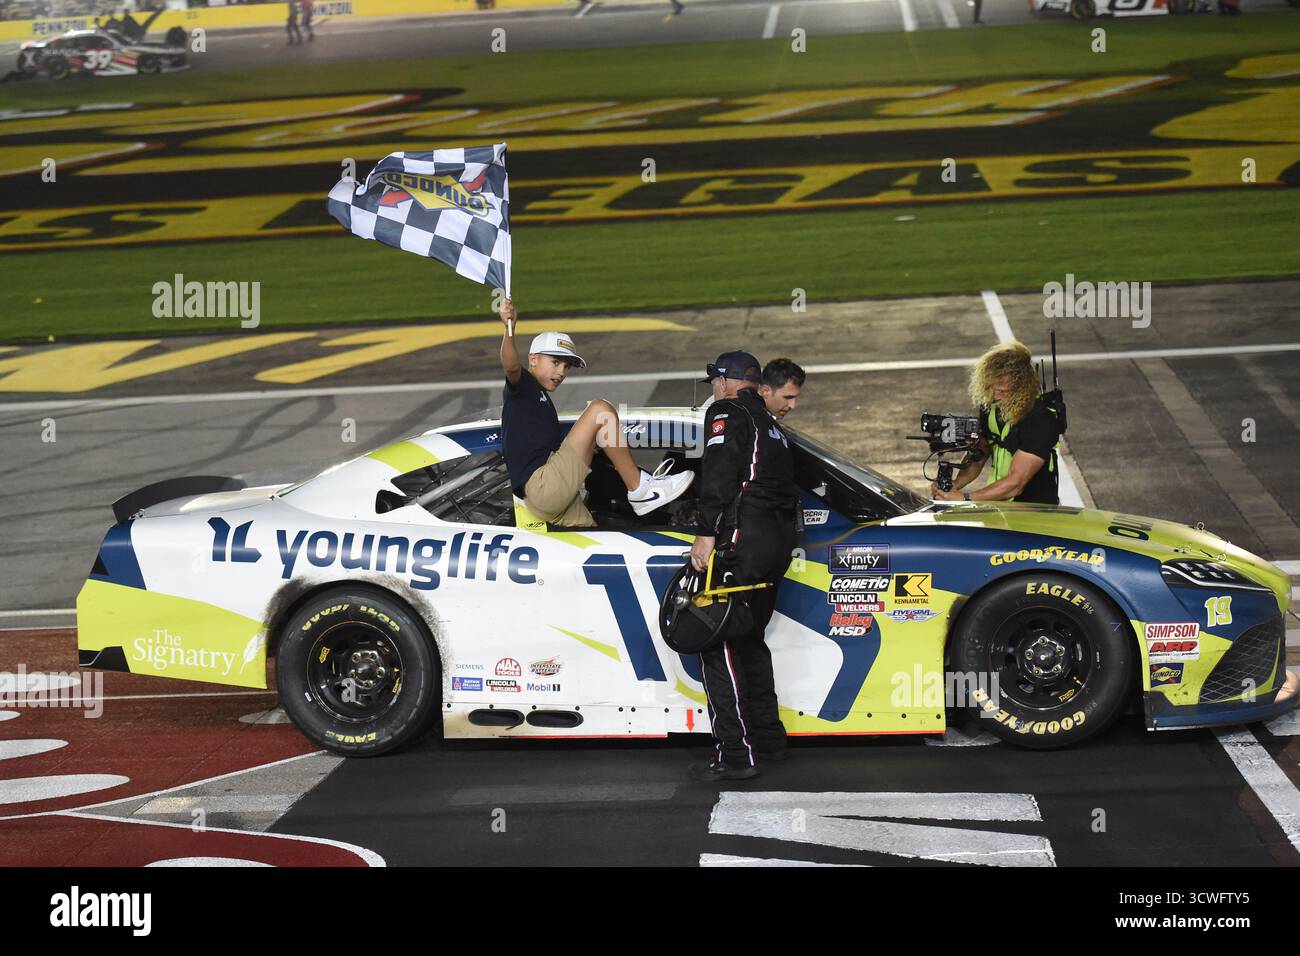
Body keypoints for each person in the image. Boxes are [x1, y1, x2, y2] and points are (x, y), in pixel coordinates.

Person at [688, 350, 800, 782]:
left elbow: (720, 473)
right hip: (775, 547)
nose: (714, 390)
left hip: (741, 543)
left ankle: (736, 753)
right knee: (751, 639)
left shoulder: (727, 411)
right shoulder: (774, 425)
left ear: (727, 382)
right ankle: (769, 740)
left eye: (716, 381)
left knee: (719, 644)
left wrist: (705, 531)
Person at [498, 298, 693, 528]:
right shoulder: (524, 386)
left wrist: (595, 445)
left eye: (566, 367)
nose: (561, 372)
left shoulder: (539, 401)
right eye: (555, 362)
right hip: (544, 487)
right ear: (533, 359)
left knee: (599, 540)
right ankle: (640, 489)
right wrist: (509, 327)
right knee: (600, 411)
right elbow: (511, 366)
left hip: (547, 498)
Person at [932, 341, 1061, 505]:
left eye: (1003, 391)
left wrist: (965, 498)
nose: (997, 396)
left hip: (1033, 511)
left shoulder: (1039, 420)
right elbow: (978, 456)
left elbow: (1016, 484)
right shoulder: (991, 408)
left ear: (1023, 387)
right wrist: (953, 487)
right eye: (993, 389)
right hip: (1000, 505)